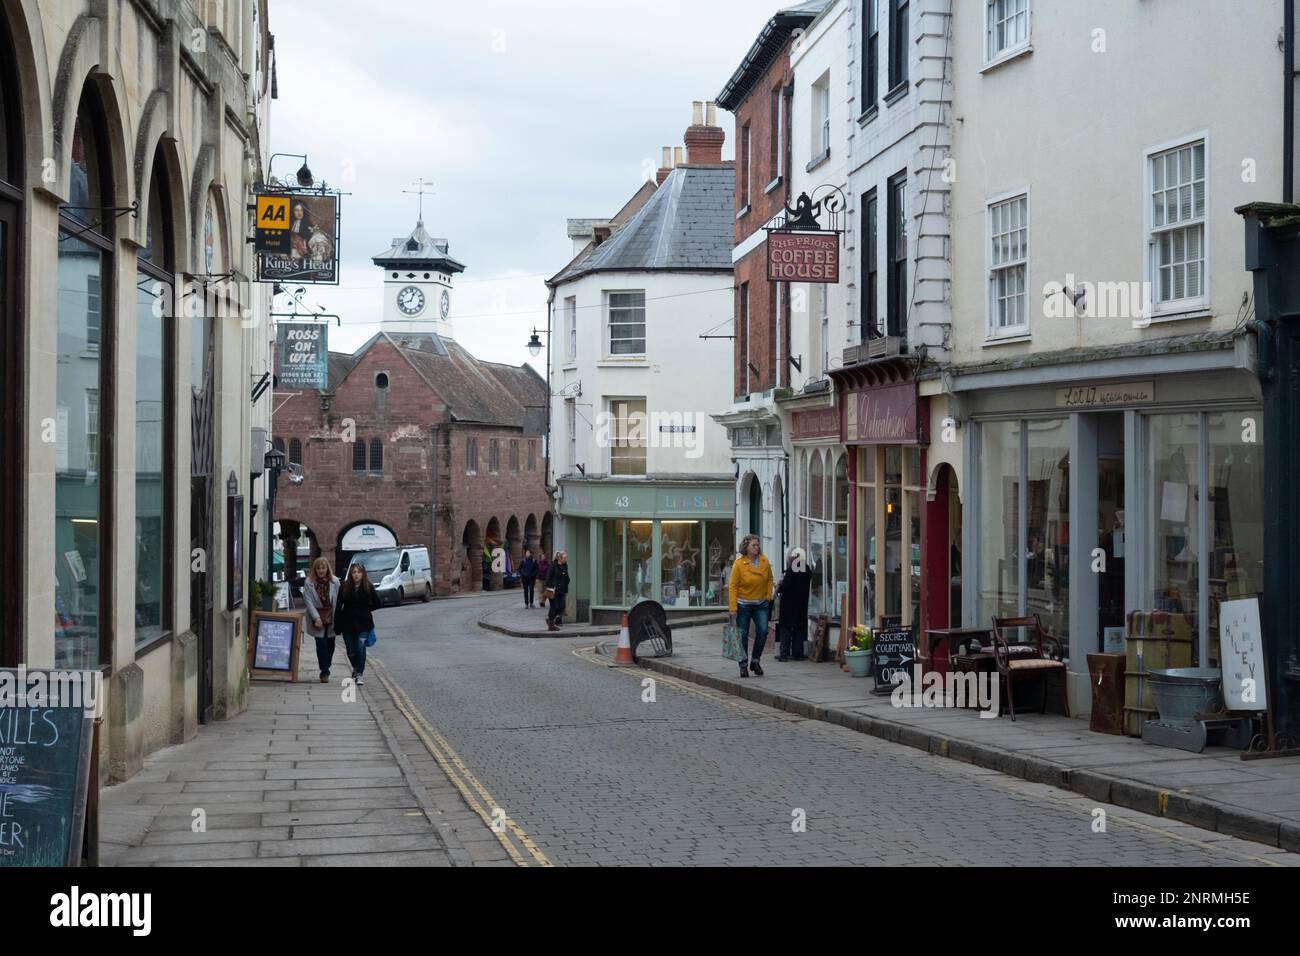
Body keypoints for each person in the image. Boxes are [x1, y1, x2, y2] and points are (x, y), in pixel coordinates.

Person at [728, 535, 774, 678]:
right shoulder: (739, 564)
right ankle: (743, 665)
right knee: (742, 635)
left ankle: (755, 661)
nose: (757, 547)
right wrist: (733, 607)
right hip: (743, 604)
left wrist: (768, 596)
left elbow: (770, 579)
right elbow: (733, 586)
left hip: (761, 603)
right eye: (753, 545)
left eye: (758, 545)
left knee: (763, 631)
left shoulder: (764, 561)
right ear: (746, 547)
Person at [335, 562, 381, 685]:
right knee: (350, 651)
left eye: (359, 572)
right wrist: (336, 624)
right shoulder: (344, 586)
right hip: (347, 624)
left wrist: (365, 610)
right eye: (354, 572)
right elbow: (338, 607)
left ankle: (359, 674)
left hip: (363, 624)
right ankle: (356, 668)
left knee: (360, 648)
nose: (356, 574)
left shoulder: (368, 586)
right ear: (350, 574)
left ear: (363, 574)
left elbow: (378, 603)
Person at [302, 557, 340, 683]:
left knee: (330, 644)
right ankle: (324, 671)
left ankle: (326, 664)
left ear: (327, 568)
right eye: (318, 568)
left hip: (332, 615)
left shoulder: (335, 581)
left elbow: (339, 600)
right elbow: (307, 600)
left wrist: (339, 616)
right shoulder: (309, 582)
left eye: (323, 568)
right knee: (321, 644)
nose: (320, 570)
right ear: (315, 570)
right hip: (317, 616)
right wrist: (316, 617)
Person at [775, 550, 812, 662]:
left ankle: (784, 655)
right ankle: (798, 654)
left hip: (789, 605)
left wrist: (780, 585)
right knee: (799, 629)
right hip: (801, 605)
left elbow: (786, 585)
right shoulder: (807, 570)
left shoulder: (792, 570)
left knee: (785, 629)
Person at [545, 551, 570, 632]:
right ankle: (551, 625)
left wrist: (566, 582)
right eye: (564, 558)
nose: (566, 559)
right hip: (553, 590)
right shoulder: (553, 565)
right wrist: (551, 586)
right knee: (554, 606)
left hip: (562, 590)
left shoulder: (565, 565)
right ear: (560, 558)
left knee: (562, 606)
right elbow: (548, 577)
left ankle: (549, 619)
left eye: (566, 558)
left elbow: (566, 577)